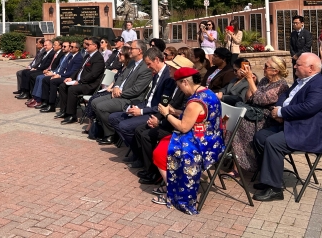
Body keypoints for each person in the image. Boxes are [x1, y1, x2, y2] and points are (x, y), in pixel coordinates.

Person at [252, 52, 322, 202]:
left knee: (273, 143)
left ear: (311, 68)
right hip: (294, 125)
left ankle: (275, 189)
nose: (294, 66)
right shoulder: (301, 80)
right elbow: (285, 96)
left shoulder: (320, 86)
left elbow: (307, 108)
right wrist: (277, 109)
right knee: (260, 137)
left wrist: (281, 112)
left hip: (309, 132)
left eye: (298, 64)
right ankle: (268, 178)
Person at [150, 67, 225, 214]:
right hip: (213, 139)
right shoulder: (207, 92)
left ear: (185, 82)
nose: (180, 90)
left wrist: (166, 114)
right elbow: (197, 116)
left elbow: (183, 127)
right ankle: (173, 184)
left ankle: (173, 192)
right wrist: (175, 111)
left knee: (160, 152)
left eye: (179, 86)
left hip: (202, 144)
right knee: (164, 143)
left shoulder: (195, 102)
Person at [107, 47, 175, 182]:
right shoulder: (157, 74)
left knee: (126, 126)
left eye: (149, 64)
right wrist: (138, 107)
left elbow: (162, 105)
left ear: (157, 60)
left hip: (155, 113)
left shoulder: (168, 77)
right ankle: (138, 152)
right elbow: (149, 98)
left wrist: (142, 111)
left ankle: (140, 156)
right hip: (146, 107)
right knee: (114, 118)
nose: (148, 67)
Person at [230, 56, 290, 174]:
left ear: (275, 71)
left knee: (238, 125)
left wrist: (250, 80)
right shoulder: (264, 80)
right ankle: (234, 158)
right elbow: (250, 98)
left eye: (266, 66)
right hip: (255, 113)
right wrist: (251, 82)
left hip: (268, 118)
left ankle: (239, 166)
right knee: (231, 120)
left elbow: (261, 100)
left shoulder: (281, 86)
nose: (263, 68)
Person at [91, 39, 153, 143]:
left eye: (132, 48)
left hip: (129, 98)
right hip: (118, 93)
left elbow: (136, 90)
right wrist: (116, 87)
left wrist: (120, 93)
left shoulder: (146, 67)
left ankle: (111, 134)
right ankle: (108, 130)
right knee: (94, 102)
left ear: (140, 51)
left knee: (101, 107)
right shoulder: (132, 62)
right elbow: (121, 76)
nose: (129, 50)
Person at [57, 37, 106, 124]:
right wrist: (71, 78)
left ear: (95, 46)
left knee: (72, 89)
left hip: (90, 84)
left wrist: (79, 81)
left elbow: (93, 75)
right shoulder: (87, 56)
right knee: (63, 86)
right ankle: (64, 110)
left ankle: (72, 115)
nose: (86, 46)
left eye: (88, 44)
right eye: (86, 44)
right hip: (81, 81)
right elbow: (79, 69)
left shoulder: (98, 58)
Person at [39, 42, 84, 113]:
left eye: (72, 47)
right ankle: (45, 101)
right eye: (70, 46)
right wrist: (56, 74)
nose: (70, 48)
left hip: (69, 77)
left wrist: (60, 76)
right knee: (46, 79)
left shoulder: (78, 58)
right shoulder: (70, 56)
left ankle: (52, 105)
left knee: (53, 81)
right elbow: (63, 69)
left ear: (77, 49)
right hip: (64, 75)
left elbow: (73, 72)